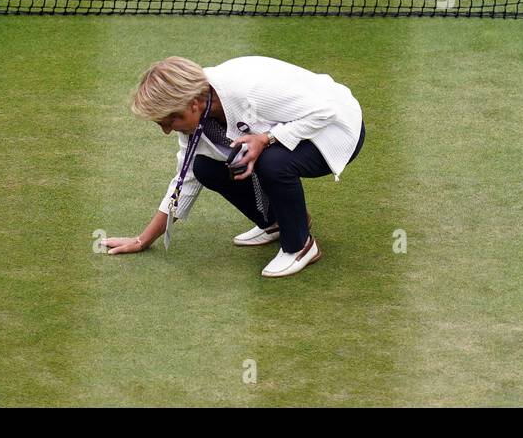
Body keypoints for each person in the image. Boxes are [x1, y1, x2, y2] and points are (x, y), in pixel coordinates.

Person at [102, 55, 364, 278]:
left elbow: (325, 112)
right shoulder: (193, 111)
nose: (167, 131)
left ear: (192, 105)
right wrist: (142, 239)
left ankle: (300, 246)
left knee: (270, 161)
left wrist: (267, 138)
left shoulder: (250, 90)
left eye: (168, 121)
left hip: (334, 130)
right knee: (206, 167)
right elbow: (187, 177)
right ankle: (278, 222)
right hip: (299, 128)